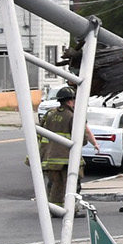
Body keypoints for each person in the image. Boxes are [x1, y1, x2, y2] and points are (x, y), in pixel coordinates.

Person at [37, 86, 94, 217]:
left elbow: (41, 133)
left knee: (55, 185)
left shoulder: (50, 114)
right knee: (71, 186)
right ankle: (72, 211)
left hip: (51, 158)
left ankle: (54, 210)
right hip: (69, 159)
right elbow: (82, 140)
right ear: (69, 101)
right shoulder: (73, 116)